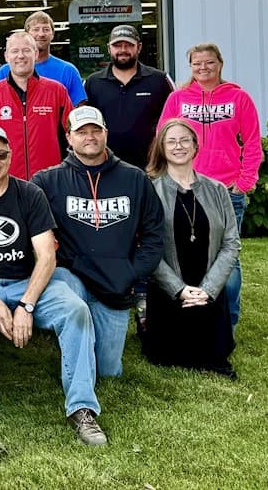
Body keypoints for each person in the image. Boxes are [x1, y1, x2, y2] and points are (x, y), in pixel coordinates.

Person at [0, 124, 106, 446]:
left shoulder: (30, 194)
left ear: (10, 156)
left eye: (0, 154)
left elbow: (46, 256)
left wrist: (26, 305)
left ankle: (82, 407)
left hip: (26, 281)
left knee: (76, 310)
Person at [31, 106, 165, 378]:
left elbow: (154, 235)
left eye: (96, 130)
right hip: (71, 276)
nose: (90, 137)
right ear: (69, 137)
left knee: (108, 371)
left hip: (115, 283)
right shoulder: (47, 181)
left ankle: (88, 349)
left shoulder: (134, 178)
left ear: (106, 133)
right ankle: (76, 352)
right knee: (72, 307)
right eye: (82, 132)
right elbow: (30, 234)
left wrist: (130, 272)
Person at [157, 43, 260, 328]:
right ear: (190, 66)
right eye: (197, 63)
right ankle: (190, 317)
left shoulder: (239, 98)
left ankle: (229, 322)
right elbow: (163, 138)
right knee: (184, 255)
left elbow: (252, 142)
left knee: (227, 258)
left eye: (209, 62)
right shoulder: (178, 99)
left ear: (220, 64)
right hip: (184, 188)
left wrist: (244, 182)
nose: (203, 68)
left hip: (225, 190)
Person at [141, 118, 239, 377]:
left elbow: (231, 243)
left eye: (185, 140)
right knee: (168, 357)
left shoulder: (217, 190)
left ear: (195, 146)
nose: (179, 146)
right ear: (161, 148)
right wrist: (179, 289)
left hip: (209, 290)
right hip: (169, 293)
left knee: (215, 354)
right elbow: (147, 247)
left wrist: (208, 289)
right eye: (171, 141)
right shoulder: (150, 191)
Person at [0, 32, 73, 179]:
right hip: (4, 182)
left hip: (51, 181)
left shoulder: (57, 91)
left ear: (36, 54)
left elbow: (72, 137)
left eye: (26, 50)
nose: (20, 56)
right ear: (6, 56)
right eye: (15, 51)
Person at [83, 25, 173, 169]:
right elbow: (84, 125)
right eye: (117, 45)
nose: (123, 50)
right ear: (109, 48)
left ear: (139, 47)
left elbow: (174, 122)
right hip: (105, 166)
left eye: (129, 45)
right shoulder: (92, 83)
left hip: (151, 167)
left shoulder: (160, 80)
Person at [0, 12, 87, 106]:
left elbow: (79, 109)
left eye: (46, 29)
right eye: (36, 29)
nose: (41, 34)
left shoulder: (68, 71)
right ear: (27, 34)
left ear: (52, 34)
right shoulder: (6, 71)